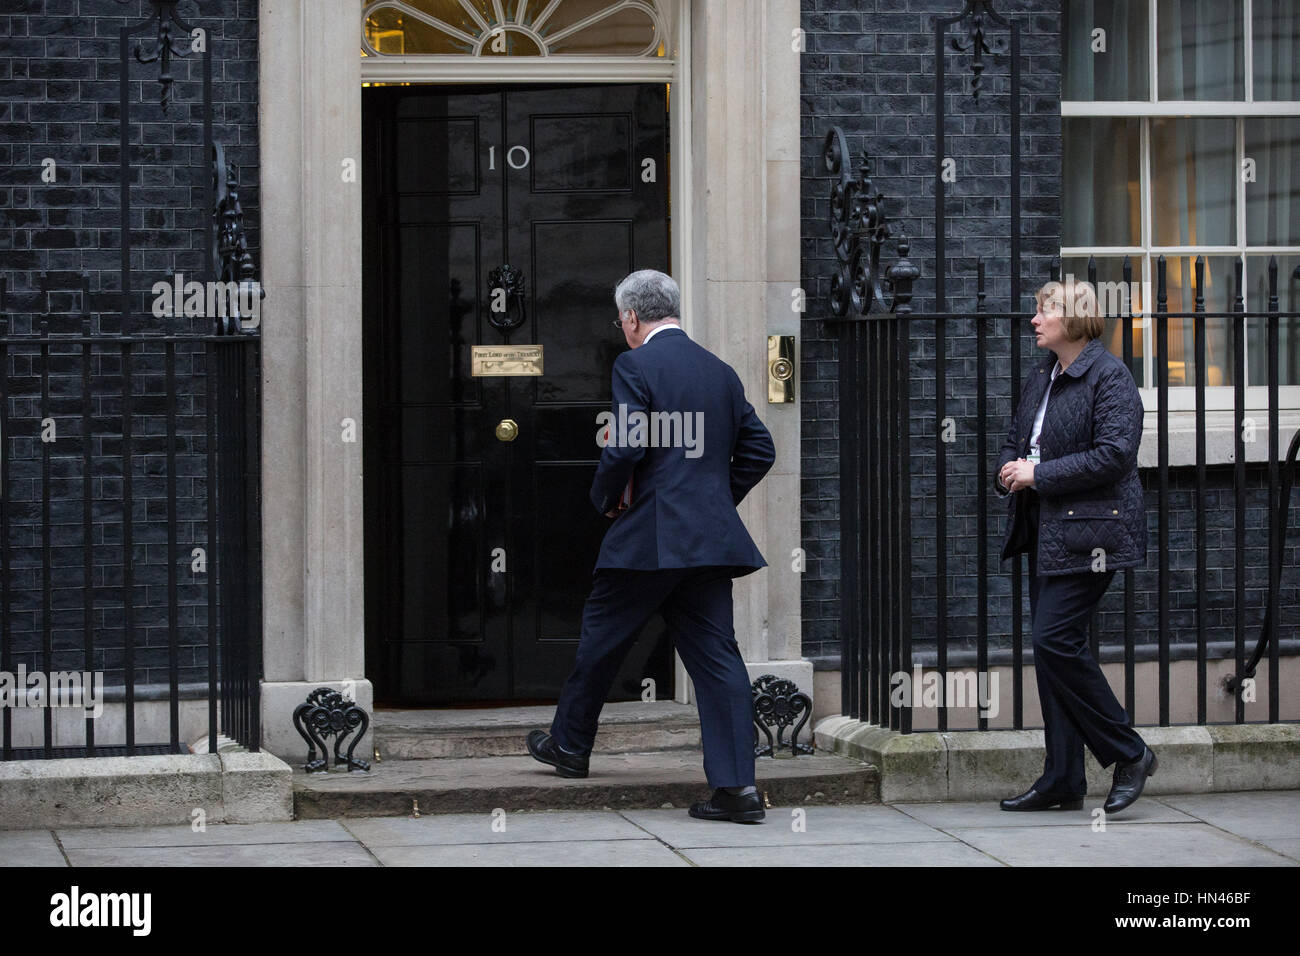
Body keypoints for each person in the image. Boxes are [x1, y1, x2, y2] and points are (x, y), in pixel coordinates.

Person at [526, 269, 776, 823]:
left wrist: (606, 500)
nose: (623, 331)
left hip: (648, 538)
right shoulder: (721, 371)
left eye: (622, 322)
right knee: (718, 661)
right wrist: (713, 498)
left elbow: (627, 444)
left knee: (602, 640)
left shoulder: (635, 364)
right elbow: (760, 449)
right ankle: (737, 790)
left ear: (633, 318)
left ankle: (570, 746)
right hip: (707, 543)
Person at [994, 277, 1157, 815]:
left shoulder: (1110, 377)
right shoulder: (1044, 375)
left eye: (1046, 311)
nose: (1036, 319)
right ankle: (1063, 777)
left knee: (1055, 641)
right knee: (1050, 652)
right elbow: (1020, 438)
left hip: (1095, 533)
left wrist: (1037, 474)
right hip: (1046, 530)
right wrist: (1009, 470)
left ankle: (1129, 752)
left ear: (1076, 318)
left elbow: (1114, 455)